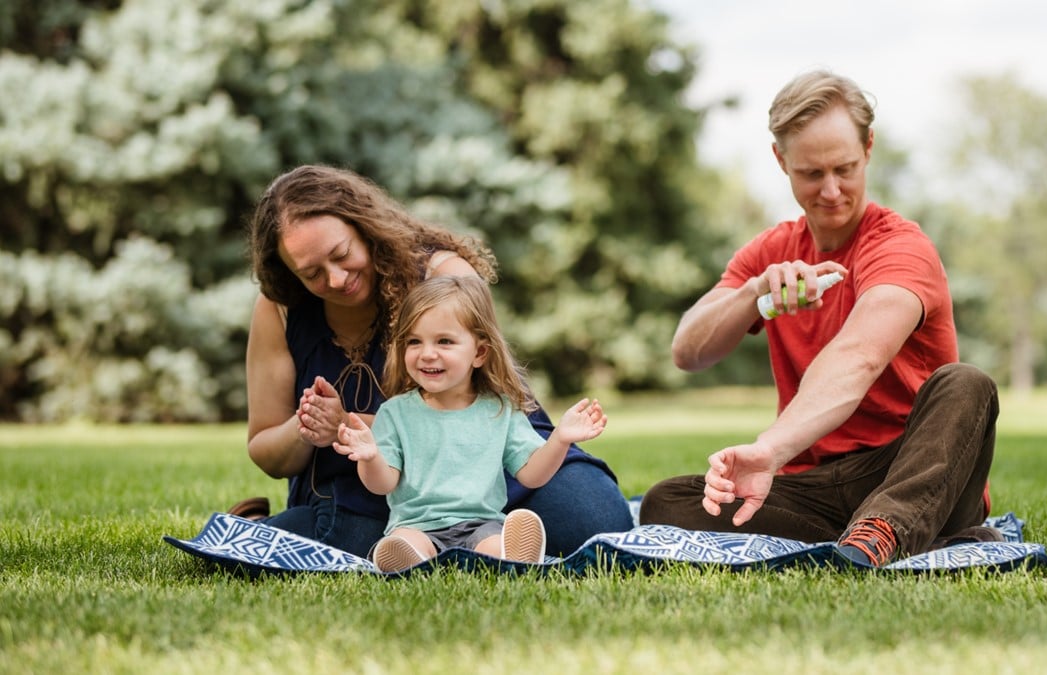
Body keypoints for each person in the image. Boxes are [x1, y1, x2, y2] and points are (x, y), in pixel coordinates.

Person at [637, 70, 1001, 568]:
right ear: (780, 160)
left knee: (966, 384)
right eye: (811, 174)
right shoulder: (772, 252)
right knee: (665, 502)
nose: (831, 190)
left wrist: (768, 450)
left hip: (912, 468)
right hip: (813, 487)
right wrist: (755, 291)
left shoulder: (899, 248)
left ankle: (886, 529)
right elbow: (688, 351)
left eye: (844, 169)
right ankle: (875, 539)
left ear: (868, 148)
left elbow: (859, 358)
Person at [235, 164, 633, 559]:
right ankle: (264, 530)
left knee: (593, 521)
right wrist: (309, 426)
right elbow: (266, 449)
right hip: (385, 484)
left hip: (495, 454)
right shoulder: (280, 309)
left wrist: (345, 422)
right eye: (312, 274)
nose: (336, 279)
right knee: (360, 537)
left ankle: (493, 535)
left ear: (365, 228)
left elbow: (475, 405)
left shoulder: (446, 277)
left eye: (341, 254)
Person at [330, 275, 608, 572]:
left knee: (493, 546)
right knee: (405, 542)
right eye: (414, 342)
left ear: (479, 352)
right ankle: (407, 560)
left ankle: (511, 555)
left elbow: (531, 475)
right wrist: (370, 457)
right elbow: (382, 483)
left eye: (444, 341)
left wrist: (560, 439)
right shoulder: (395, 413)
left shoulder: (500, 410)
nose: (427, 354)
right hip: (417, 525)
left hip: (482, 524)